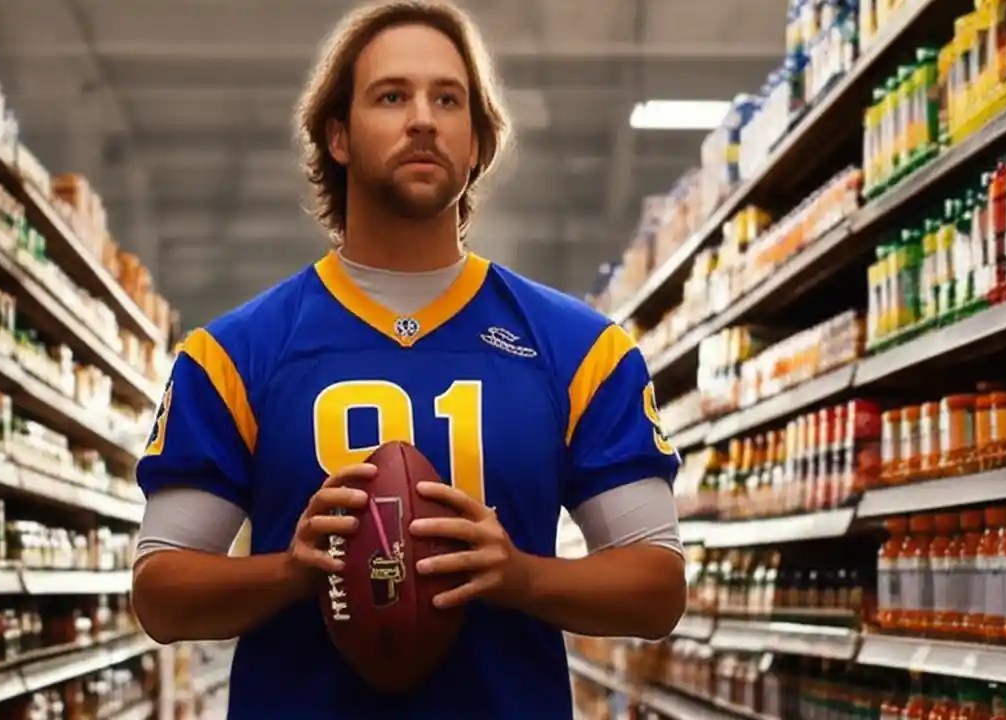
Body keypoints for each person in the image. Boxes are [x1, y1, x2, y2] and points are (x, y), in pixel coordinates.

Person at [132, 1, 687, 717]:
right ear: (338, 135)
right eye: (391, 96)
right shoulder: (231, 355)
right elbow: (160, 596)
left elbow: (657, 588)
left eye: (448, 99)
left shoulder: (584, 350)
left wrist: (520, 576)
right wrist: (289, 573)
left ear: (478, 143)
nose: (422, 118)